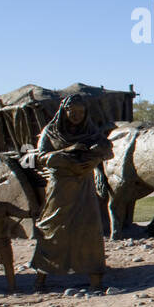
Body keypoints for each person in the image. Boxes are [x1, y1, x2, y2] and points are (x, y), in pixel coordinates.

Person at [29, 94, 113, 291]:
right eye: (72, 112)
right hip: (60, 186)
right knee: (53, 227)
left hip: (84, 184)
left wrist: (93, 157)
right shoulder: (51, 131)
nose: (76, 116)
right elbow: (41, 158)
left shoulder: (90, 130)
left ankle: (96, 279)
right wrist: (68, 152)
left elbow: (107, 150)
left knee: (90, 228)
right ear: (64, 111)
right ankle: (41, 277)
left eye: (81, 112)